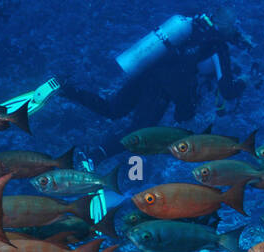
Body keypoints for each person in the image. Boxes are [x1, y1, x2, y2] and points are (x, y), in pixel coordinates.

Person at [50, 10, 247, 161]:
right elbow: (227, 91)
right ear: (226, 26)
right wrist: (244, 83)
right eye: (235, 25)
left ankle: (64, 88)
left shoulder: (191, 25)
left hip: (147, 72)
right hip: (163, 88)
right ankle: (95, 157)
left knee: (112, 109)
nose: (237, 30)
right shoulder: (217, 46)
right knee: (141, 132)